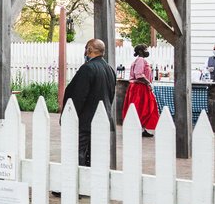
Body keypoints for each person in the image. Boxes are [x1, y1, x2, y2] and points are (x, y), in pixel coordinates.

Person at [62, 38, 117, 167]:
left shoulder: (87, 68)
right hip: (103, 120)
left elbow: (78, 96)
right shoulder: (110, 69)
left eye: (86, 49)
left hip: (85, 122)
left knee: (79, 154)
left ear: (90, 50)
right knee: (96, 156)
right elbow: (111, 95)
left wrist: (69, 117)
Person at [122, 44, 158, 137]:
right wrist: (148, 83)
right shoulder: (141, 60)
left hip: (138, 86)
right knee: (143, 107)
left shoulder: (138, 60)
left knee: (140, 107)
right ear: (141, 51)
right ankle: (139, 127)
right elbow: (139, 74)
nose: (147, 51)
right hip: (140, 87)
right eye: (145, 49)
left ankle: (141, 128)